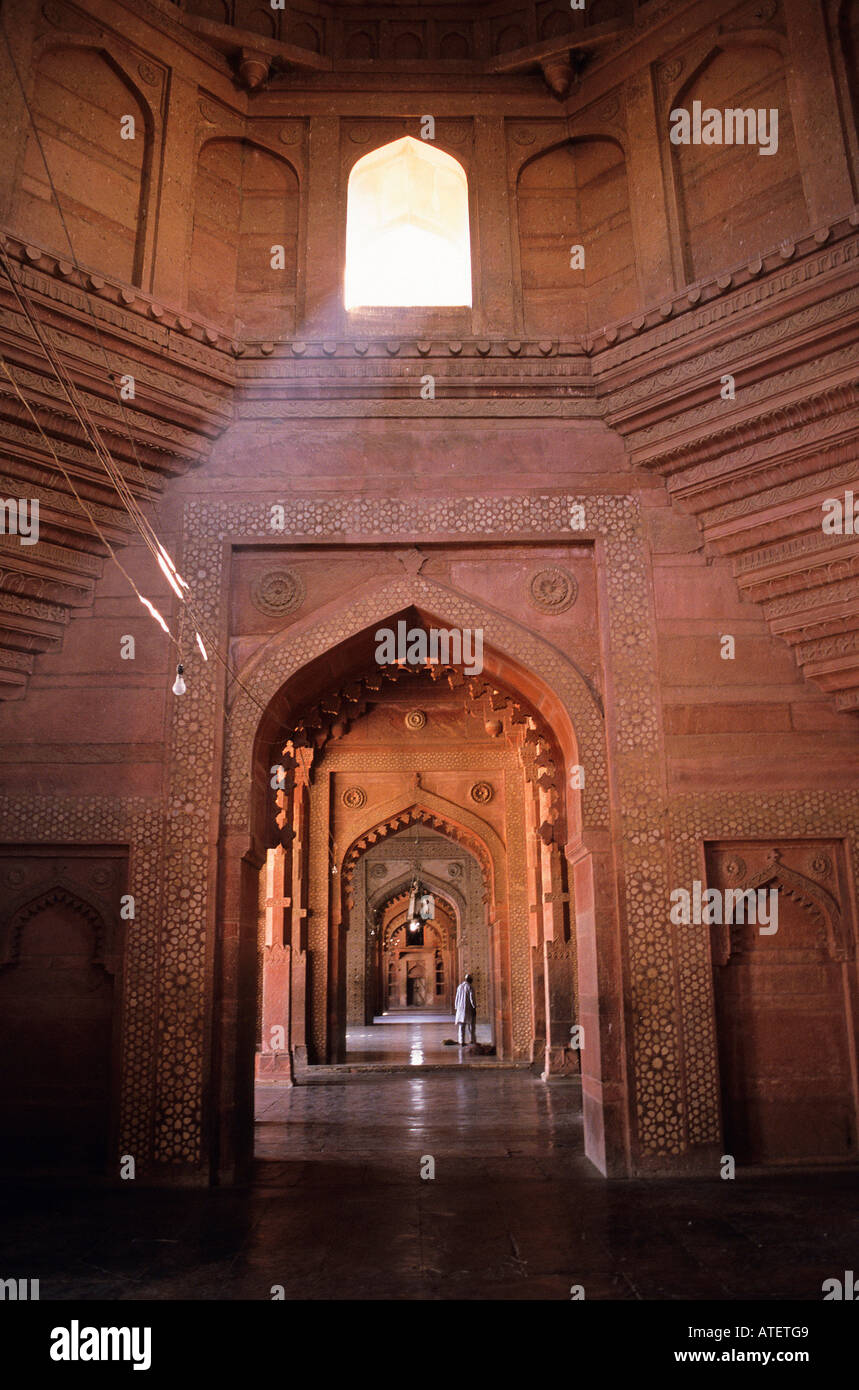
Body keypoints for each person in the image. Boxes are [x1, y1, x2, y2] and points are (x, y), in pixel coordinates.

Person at [454, 973, 476, 1046]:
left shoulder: (460, 987)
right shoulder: (470, 987)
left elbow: (456, 998)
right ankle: (472, 1040)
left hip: (460, 1009)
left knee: (461, 1026)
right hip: (468, 1008)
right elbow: (472, 998)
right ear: (470, 980)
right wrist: (474, 1007)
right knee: (471, 1026)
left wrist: (456, 1007)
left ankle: (461, 1041)